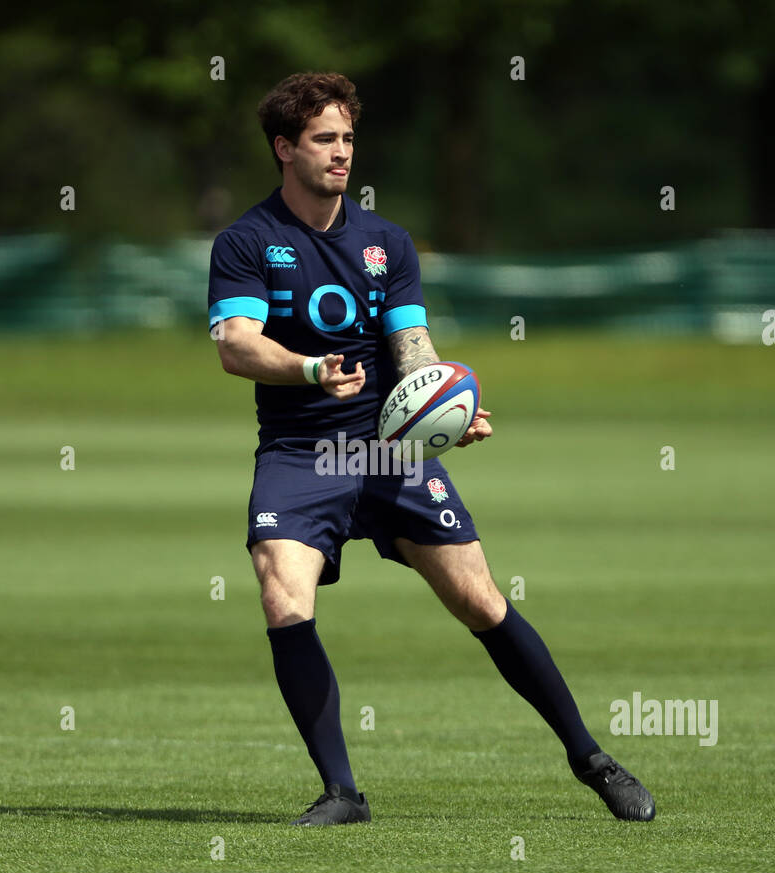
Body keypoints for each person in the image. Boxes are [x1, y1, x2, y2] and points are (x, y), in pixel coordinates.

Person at [208, 72, 654, 825]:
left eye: (348, 138)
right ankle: (343, 793)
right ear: (285, 149)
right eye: (324, 139)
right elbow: (237, 345)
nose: (342, 153)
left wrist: (447, 413)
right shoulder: (249, 240)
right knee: (283, 594)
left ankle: (592, 759)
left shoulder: (387, 243)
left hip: (389, 450)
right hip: (299, 451)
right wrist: (310, 368)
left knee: (480, 601)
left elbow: (414, 353)